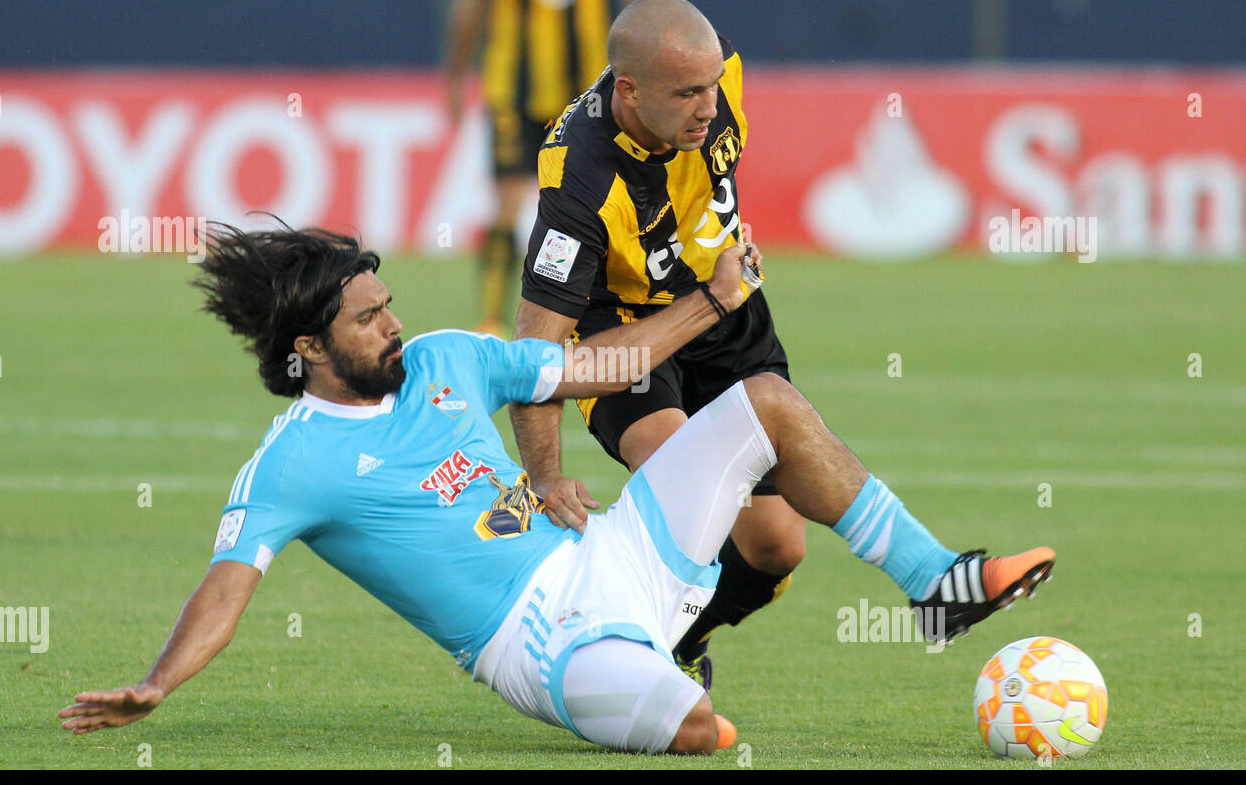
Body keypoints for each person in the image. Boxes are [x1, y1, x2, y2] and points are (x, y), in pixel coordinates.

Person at [57, 222, 1053, 756]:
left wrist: (709, 302)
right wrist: (157, 679)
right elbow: (226, 587)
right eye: (367, 318)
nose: (393, 323)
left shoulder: (447, 357)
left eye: (387, 300)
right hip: (546, 645)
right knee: (705, 734)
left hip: (615, 550)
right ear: (307, 349)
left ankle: (936, 583)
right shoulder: (290, 463)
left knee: (766, 400)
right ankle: (665, 668)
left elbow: (594, 368)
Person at [509, 0, 808, 687]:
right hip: (623, 327)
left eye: (711, 85)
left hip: (724, 312)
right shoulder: (578, 182)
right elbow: (534, 356)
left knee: (775, 545)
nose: (709, 106)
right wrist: (546, 478)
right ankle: (604, 644)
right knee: (684, 472)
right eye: (687, 93)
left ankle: (676, 640)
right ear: (630, 90)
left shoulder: (713, 82)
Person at [445, 0, 658, 336]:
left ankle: (615, 305)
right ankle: (492, 321)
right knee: (508, 205)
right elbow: (472, 0)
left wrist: (647, 54)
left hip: (588, 96)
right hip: (513, 93)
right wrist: (455, 77)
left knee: (605, 202)